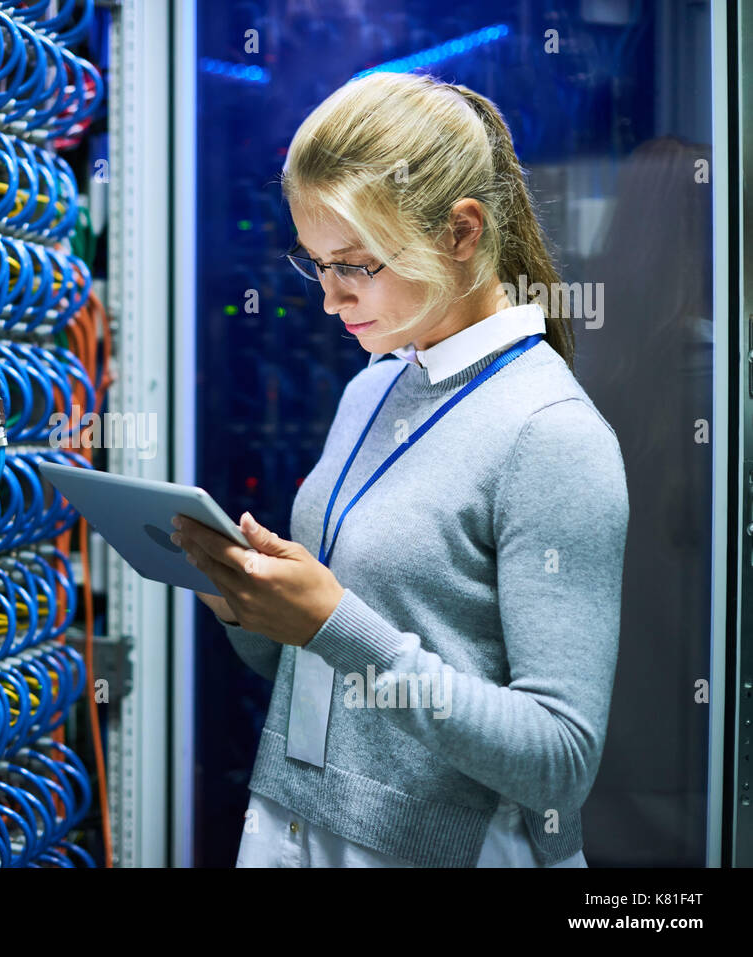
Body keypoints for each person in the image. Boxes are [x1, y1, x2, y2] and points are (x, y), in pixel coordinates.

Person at [172, 72, 628, 867]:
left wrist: (334, 624)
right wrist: (245, 602)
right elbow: (313, 661)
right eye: (316, 263)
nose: (329, 298)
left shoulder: (551, 434)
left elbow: (559, 761)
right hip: (294, 824)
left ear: (461, 232)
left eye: (356, 264)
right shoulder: (373, 386)